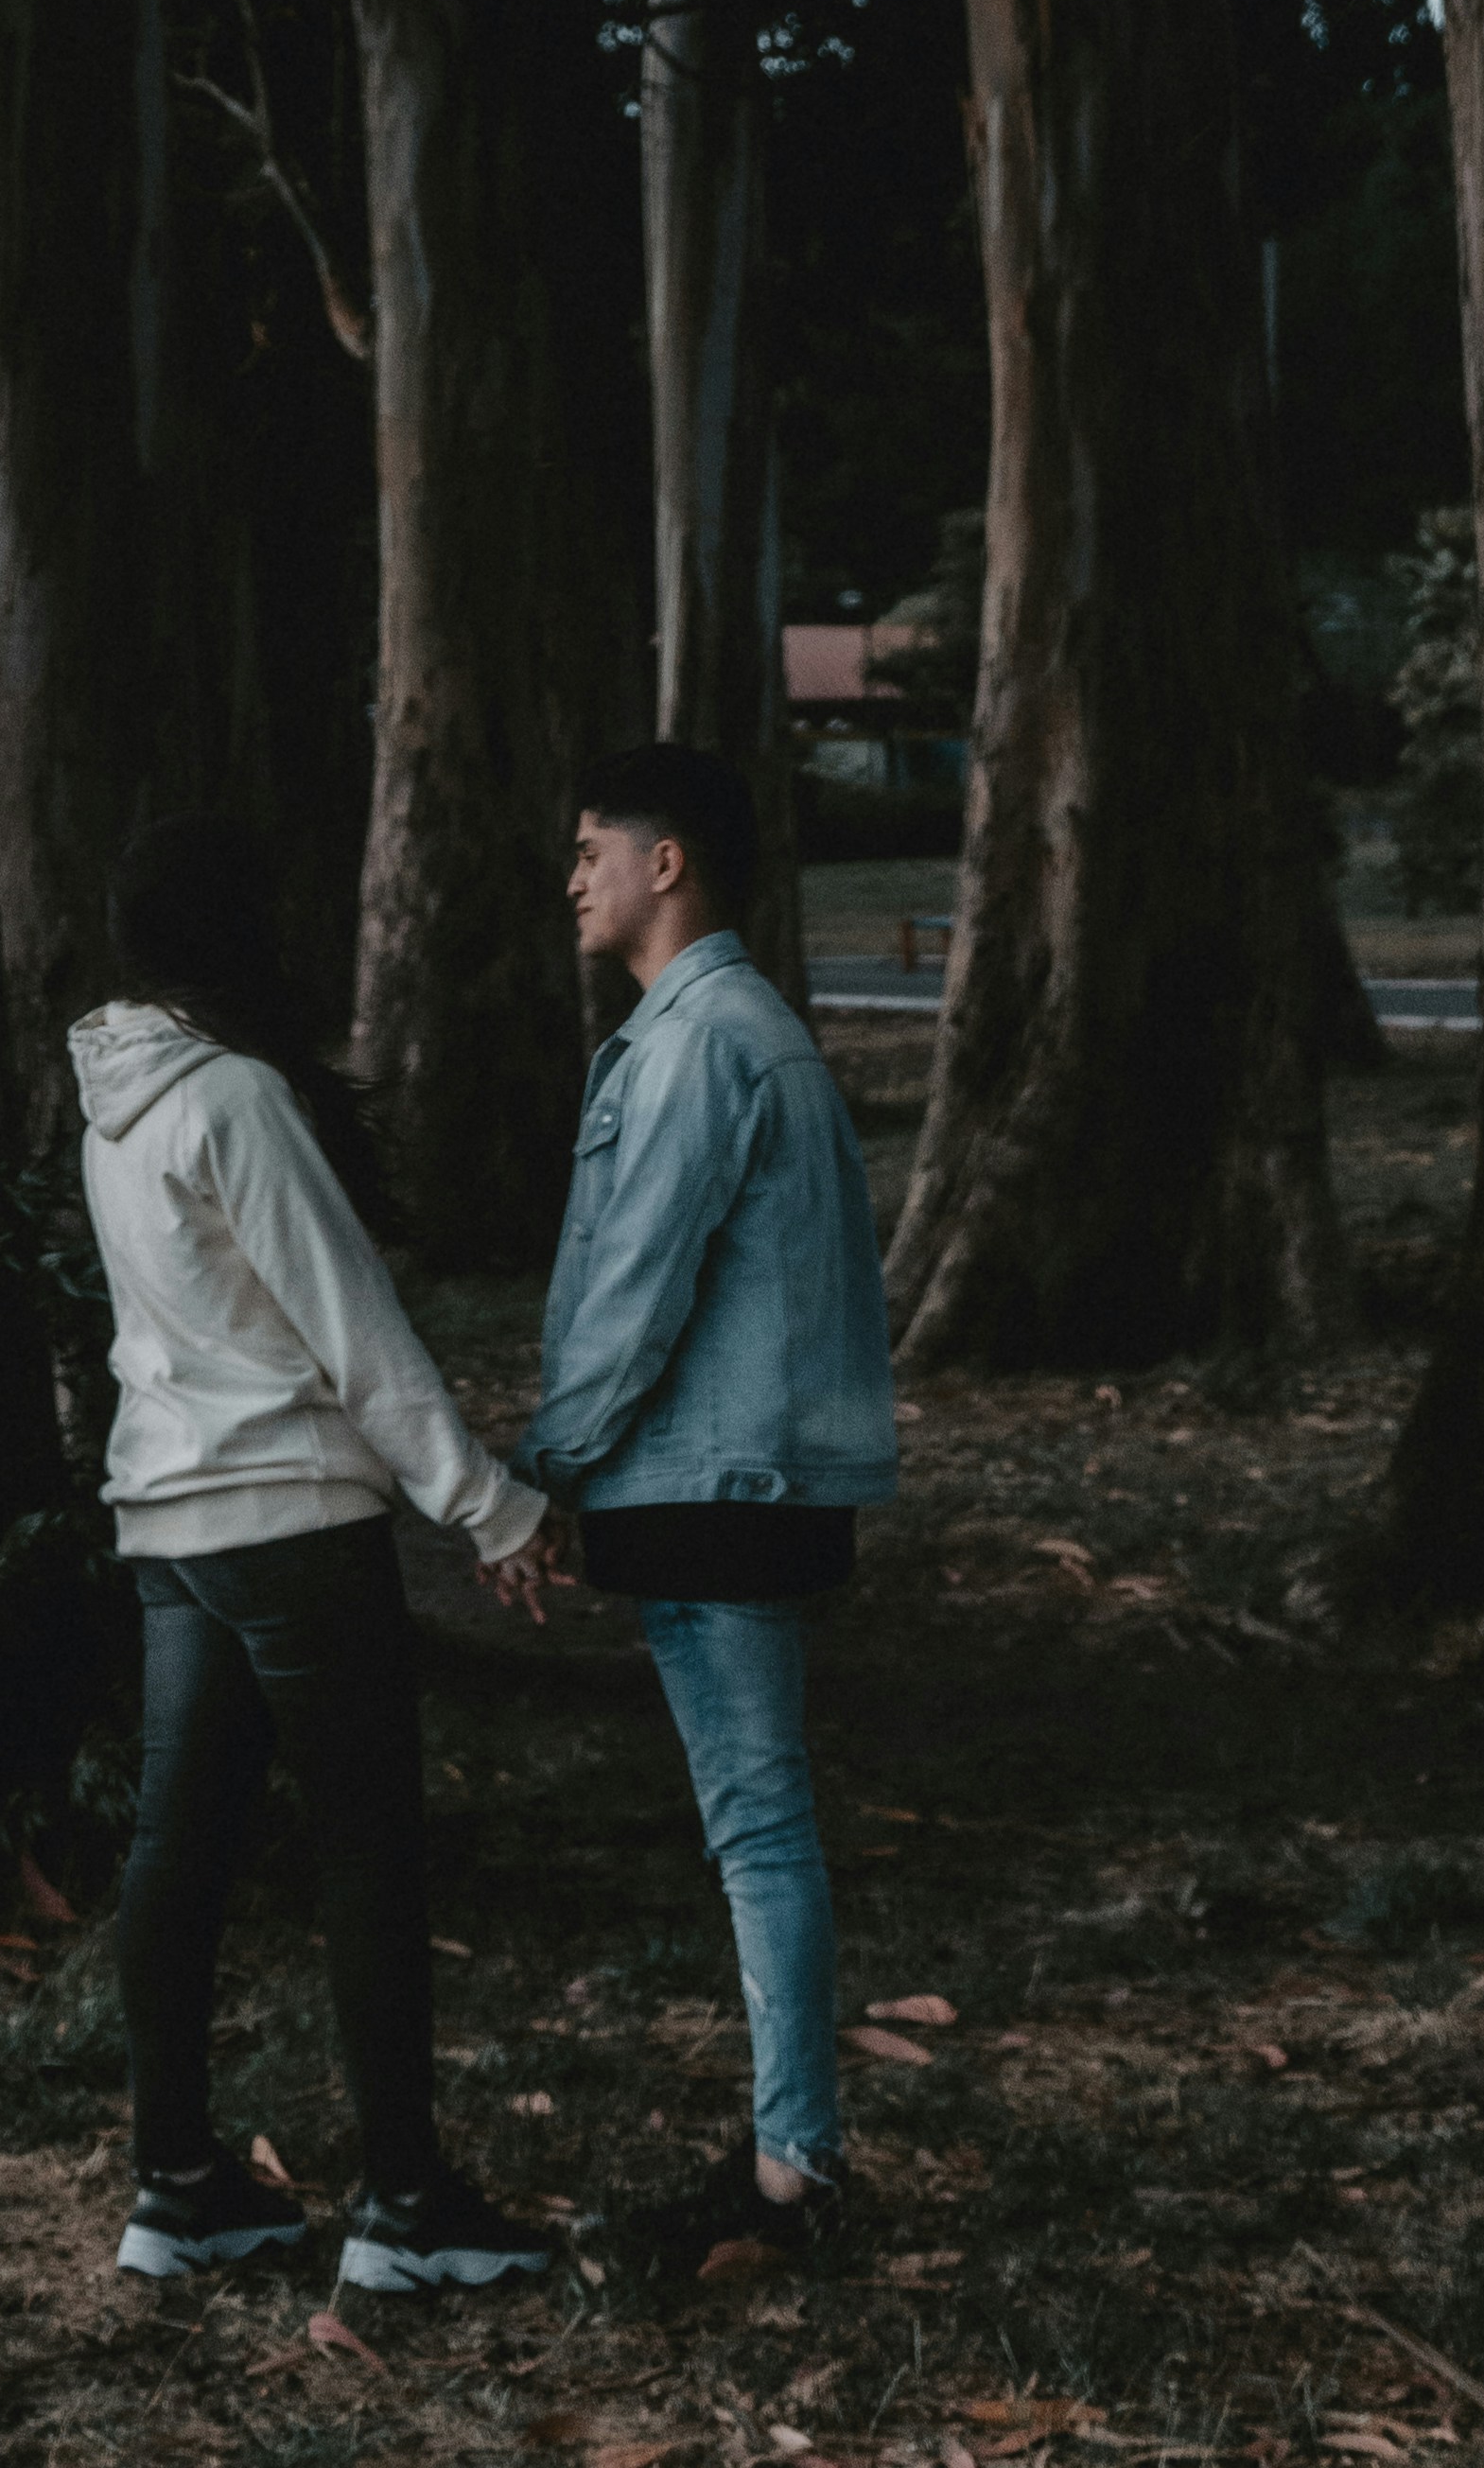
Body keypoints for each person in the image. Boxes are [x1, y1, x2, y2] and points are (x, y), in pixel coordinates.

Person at [69, 814, 577, 2308]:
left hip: (174, 1524)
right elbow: (355, 1330)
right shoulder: (231, 1096)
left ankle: (177, 2185)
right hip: (287, 1522)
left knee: (178, 1847)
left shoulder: (115, 1102)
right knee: (367, 1849)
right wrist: (491, 1507)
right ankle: (407, 2206)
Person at [523, 734, 901, 2289]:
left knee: (759, 1828)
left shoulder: (700, 1045)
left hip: (716, 1486)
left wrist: (542, 1468)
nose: (573, 881)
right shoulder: (742, 1032)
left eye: (591, 851)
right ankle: (788, 2155)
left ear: (663, 863)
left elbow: (636, 1288)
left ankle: (794, 2173)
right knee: (761, 1824)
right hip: (739, 1480)